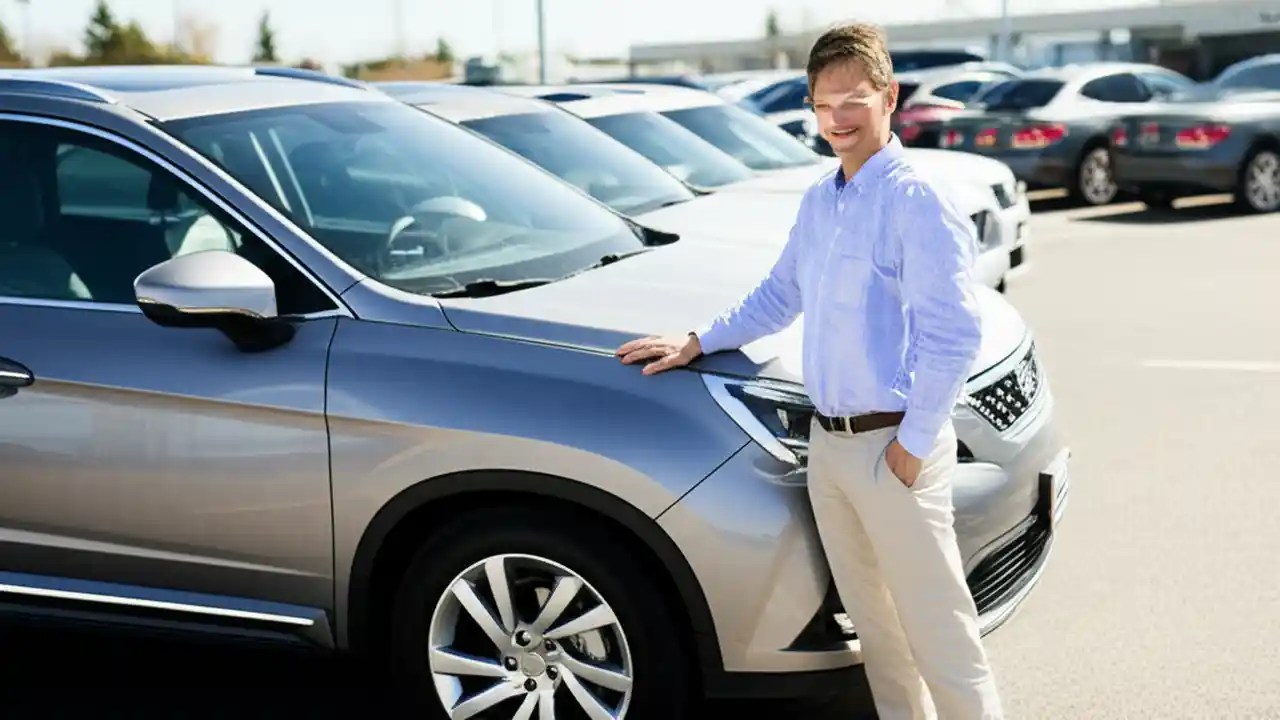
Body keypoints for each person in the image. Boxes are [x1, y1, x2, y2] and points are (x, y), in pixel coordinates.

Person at [615, 21, 1004, 720]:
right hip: (828, 449)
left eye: (853, 101)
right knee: (878, 633)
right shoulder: (822, 199)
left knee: (939, 630)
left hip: (894, 452)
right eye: (823, 105)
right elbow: (780, 294)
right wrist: (699, 340)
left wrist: (912, 447)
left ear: (889, 97)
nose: (836, 120)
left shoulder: (917, 200)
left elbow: (956, 332)